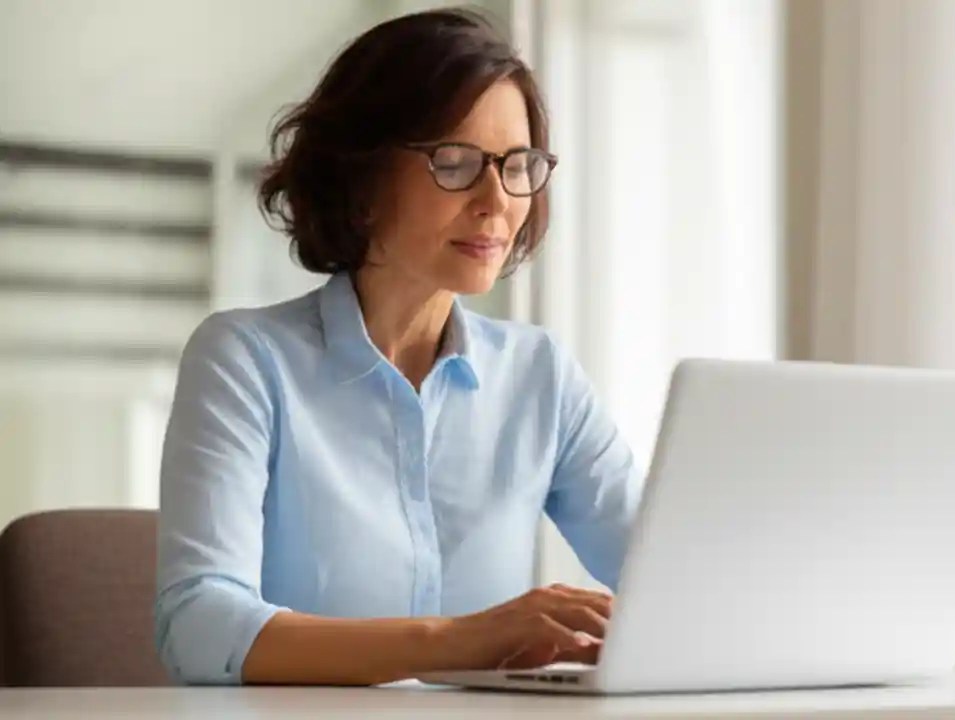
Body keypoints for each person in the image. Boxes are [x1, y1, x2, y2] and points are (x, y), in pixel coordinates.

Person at [154, 8, 640, 686]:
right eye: (455, 163)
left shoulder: (541, 376)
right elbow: (200, 627)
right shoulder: (245, 359)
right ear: (360, 180)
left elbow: (666, 579)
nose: (496, 200)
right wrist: (461, 641)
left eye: (518, 165)